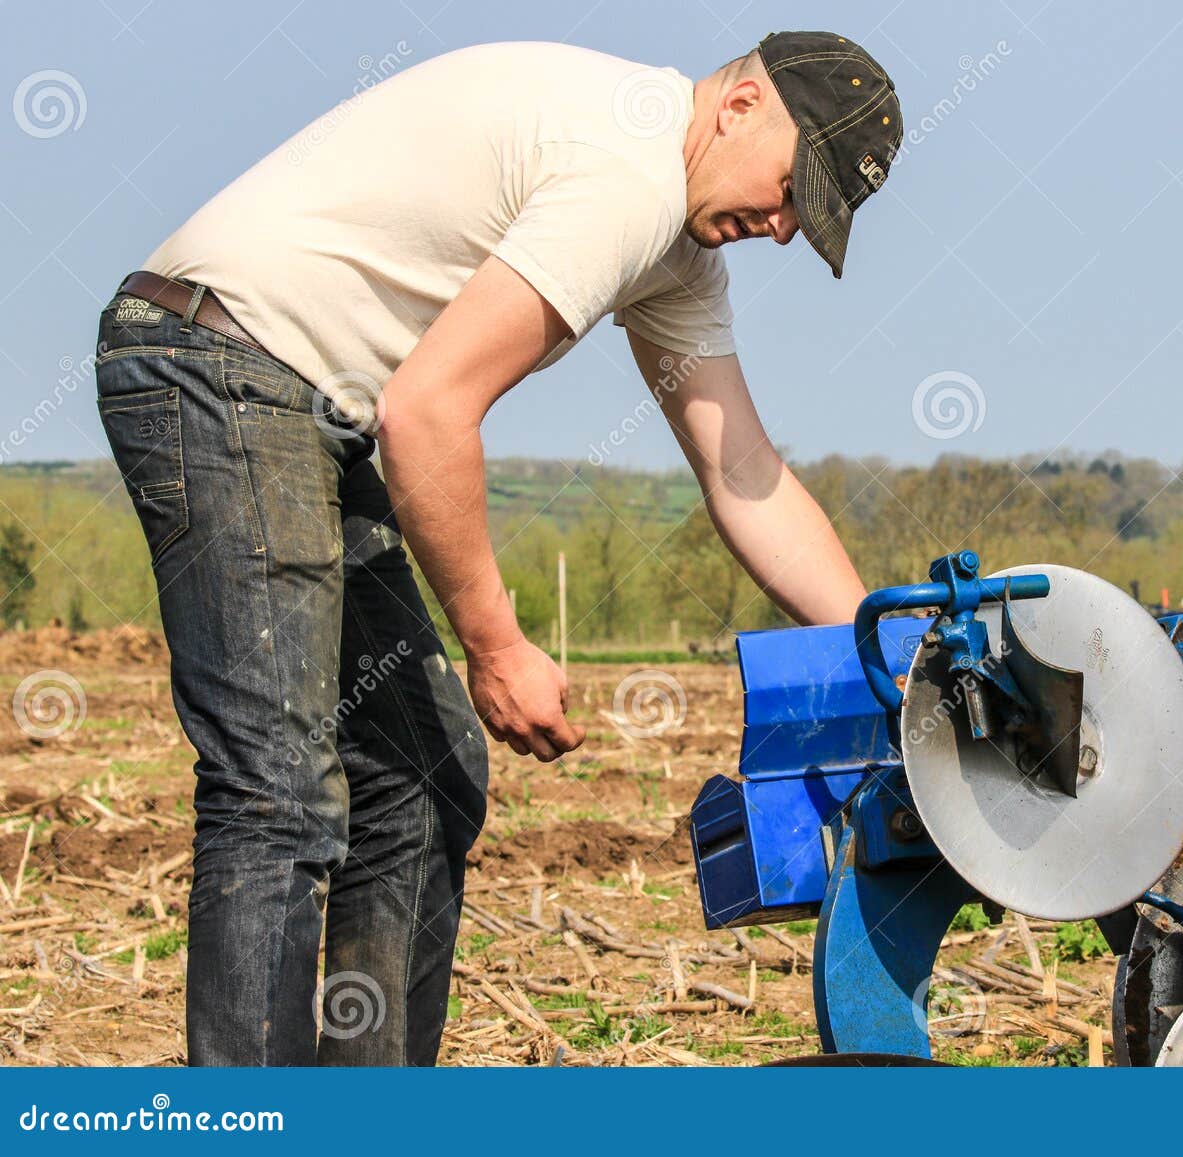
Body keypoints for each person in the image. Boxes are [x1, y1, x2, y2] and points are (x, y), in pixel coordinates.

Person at [93, 32, 902, 1066]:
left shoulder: (678, 251)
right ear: (740, 104)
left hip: (300, 405)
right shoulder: (628, 167)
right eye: (793, 189)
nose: (782, 228)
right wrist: (497, 641)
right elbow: (427, 411)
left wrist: (886, 660)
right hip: (214, 361)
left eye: (810, 219)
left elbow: (743, 473)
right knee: (276, 786)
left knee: (425, 773)